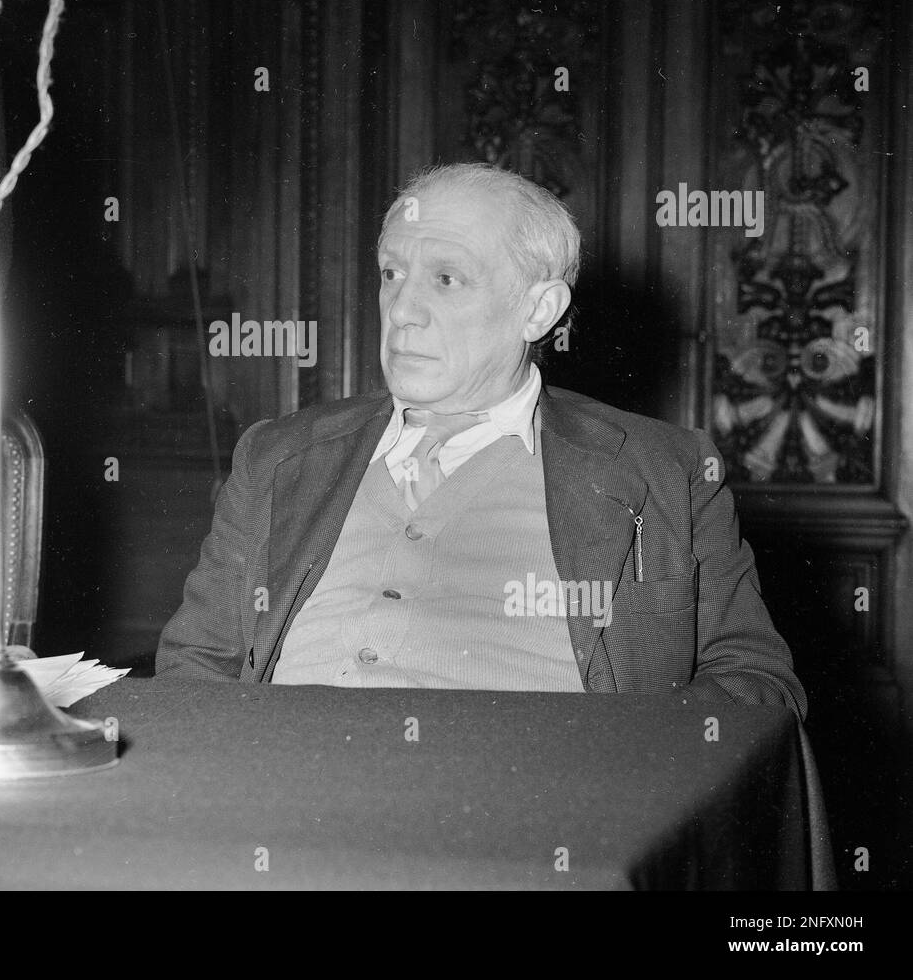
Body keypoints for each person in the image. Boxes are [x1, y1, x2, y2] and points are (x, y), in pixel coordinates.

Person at [156, 163, 806, 718]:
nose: (403, 308)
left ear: (539, 309)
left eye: (446, 279)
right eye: (390, 273)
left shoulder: (664, 470)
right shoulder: (278, 455)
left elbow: (758, 682)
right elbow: (195, 665)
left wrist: (617, 770)